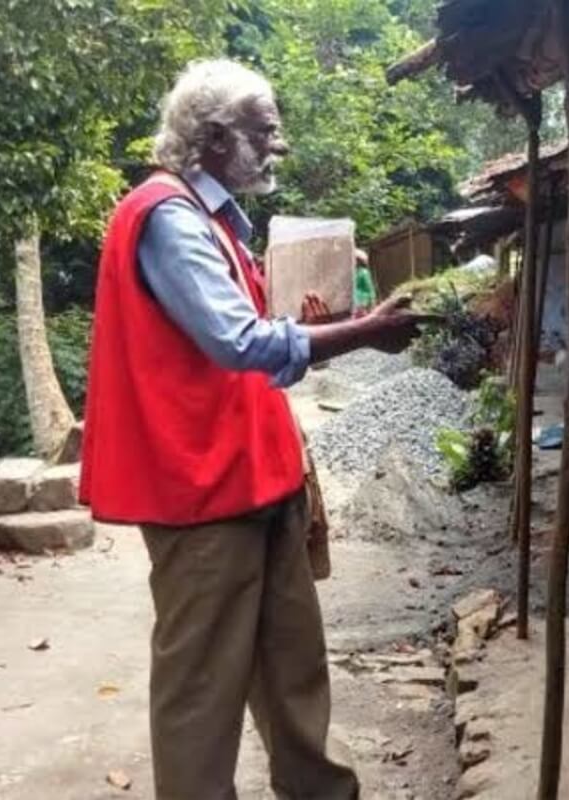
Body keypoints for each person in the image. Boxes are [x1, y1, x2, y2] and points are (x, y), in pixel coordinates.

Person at [79, 59, 430, 800]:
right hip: (202, 492)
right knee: (202, 687)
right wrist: (364, 332)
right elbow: (236, 344)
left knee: (291, 667)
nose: (281, 146)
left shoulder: (209, 222)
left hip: (252, 479)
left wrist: (323, 331)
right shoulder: (168, 216)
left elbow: (244, 351)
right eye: (266, 131)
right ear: (212, 139)